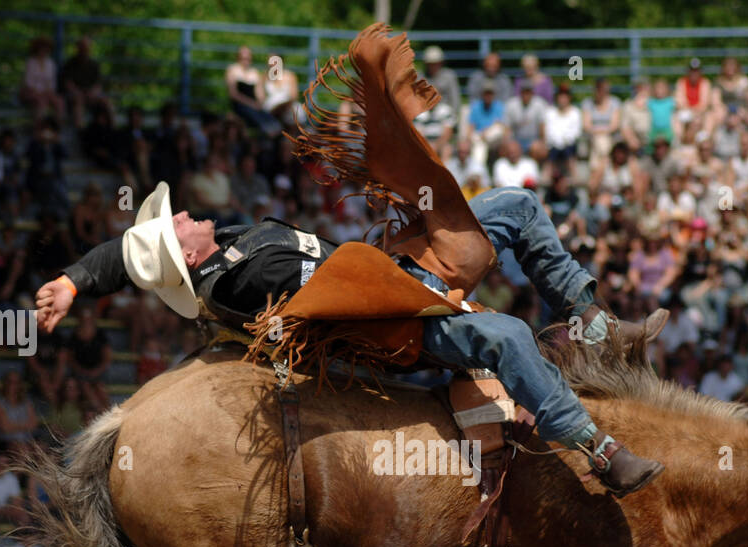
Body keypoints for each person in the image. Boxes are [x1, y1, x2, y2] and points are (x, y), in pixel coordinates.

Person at [36, 180, 665, 495]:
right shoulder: (240, 279)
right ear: (186, 254)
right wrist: (422, 284)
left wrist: (73, 279)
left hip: (386, 274)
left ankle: (596, 326)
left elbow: (127, 253)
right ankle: (596, 448)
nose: (181, 213)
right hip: (385, 324)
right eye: (175, 223)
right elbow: (342, 294)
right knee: (505, 335)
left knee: (517, 205)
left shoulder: (219, 243)